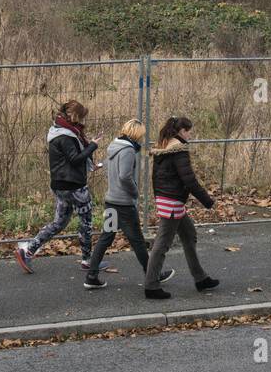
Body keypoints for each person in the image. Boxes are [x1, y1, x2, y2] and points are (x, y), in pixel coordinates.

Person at [83, 119, 173, 289]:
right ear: (136, 134)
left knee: (106, 237)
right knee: (137, 240)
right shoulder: (128, 150)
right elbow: (125, 176)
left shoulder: (112, 147)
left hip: (110, 201)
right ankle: (153, 275)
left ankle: (91, 276)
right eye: (141, 135)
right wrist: (134, 192)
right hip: (123, 204)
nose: (142, 138)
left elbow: (109, 170)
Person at [15, 100, 101, 273]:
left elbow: (70, 160)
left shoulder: (58, 131)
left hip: (60, 185)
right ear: (74, 115)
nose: (82, 121)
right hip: (74, 186)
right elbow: (75, 159)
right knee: (86, 221)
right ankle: (87, 260)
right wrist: (93, 145)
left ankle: (29, 250)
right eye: (81, 117)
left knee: (59, 223)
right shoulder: (66, 136)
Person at [144, 116, 219, 300]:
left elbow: (156, 178)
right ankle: (151, 285)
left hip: (167, 199)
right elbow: (189, 180)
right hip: (173, 202)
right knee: (162, 243)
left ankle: (200, 278)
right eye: (189, 130)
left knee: (189, 235)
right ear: (181, 131)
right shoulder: (179, 150)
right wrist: (208, 201)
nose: (191, 134)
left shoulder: (164, 147)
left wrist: (159, 199)